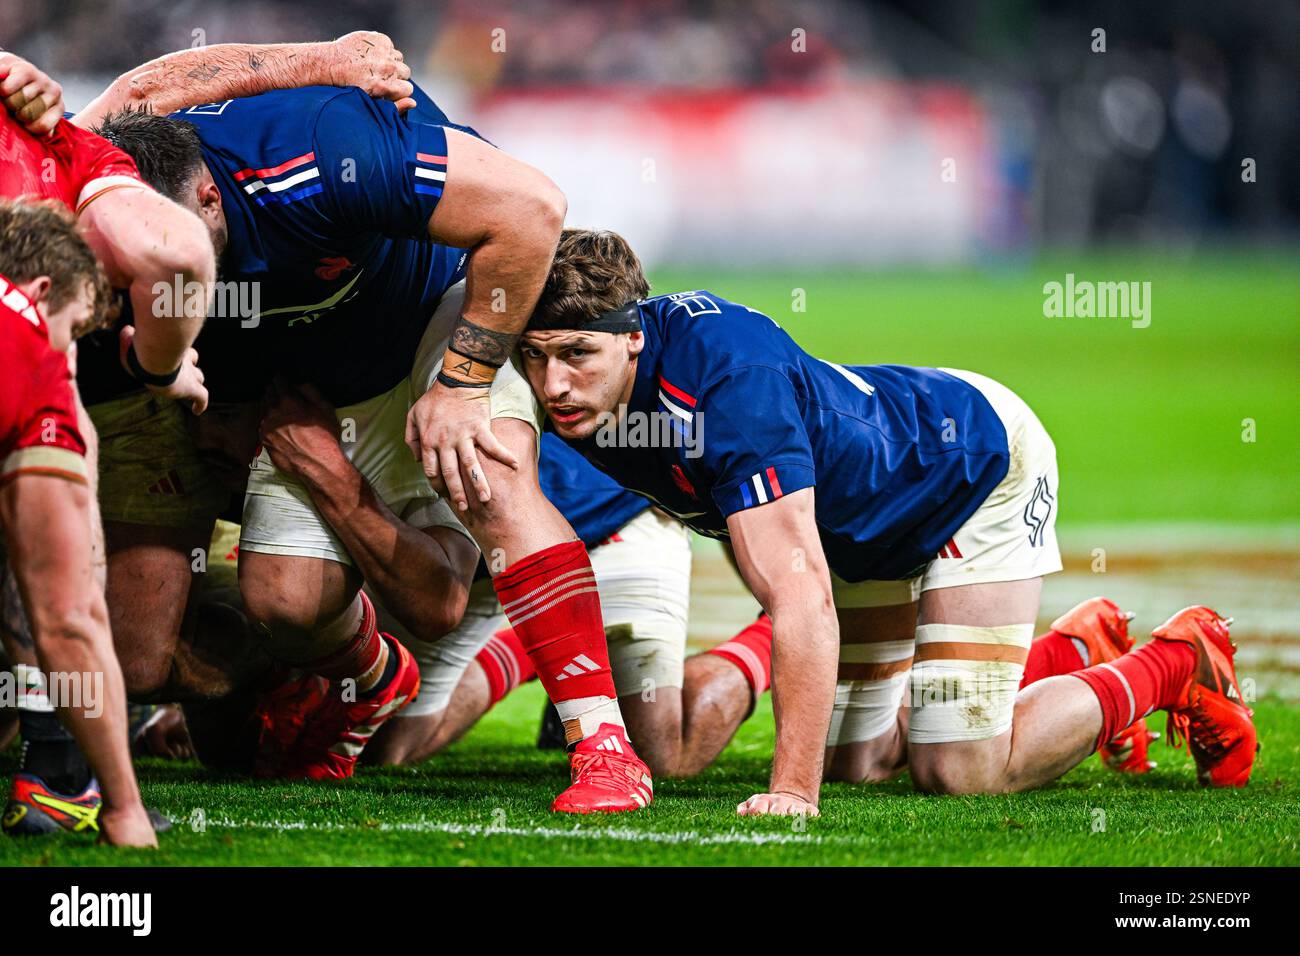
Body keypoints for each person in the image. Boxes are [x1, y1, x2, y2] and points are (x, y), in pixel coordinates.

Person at [516, 228, 1258, 816]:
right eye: (535, 357)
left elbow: (801, 594)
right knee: (855, 760)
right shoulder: (591, 385)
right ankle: (1069, 650)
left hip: (965, 475)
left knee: (959, 770)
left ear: (634, 337)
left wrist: (792, 795)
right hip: (861, 528)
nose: (553, 384)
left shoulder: (725, 385)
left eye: (578, 353)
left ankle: (1178, 662)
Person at [0, 199, 154, 845]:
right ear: (41, 293)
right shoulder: (35, 355)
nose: (68, 351)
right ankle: (113, 805)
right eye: (73, 328)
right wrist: (125, 807)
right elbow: (66, 620)